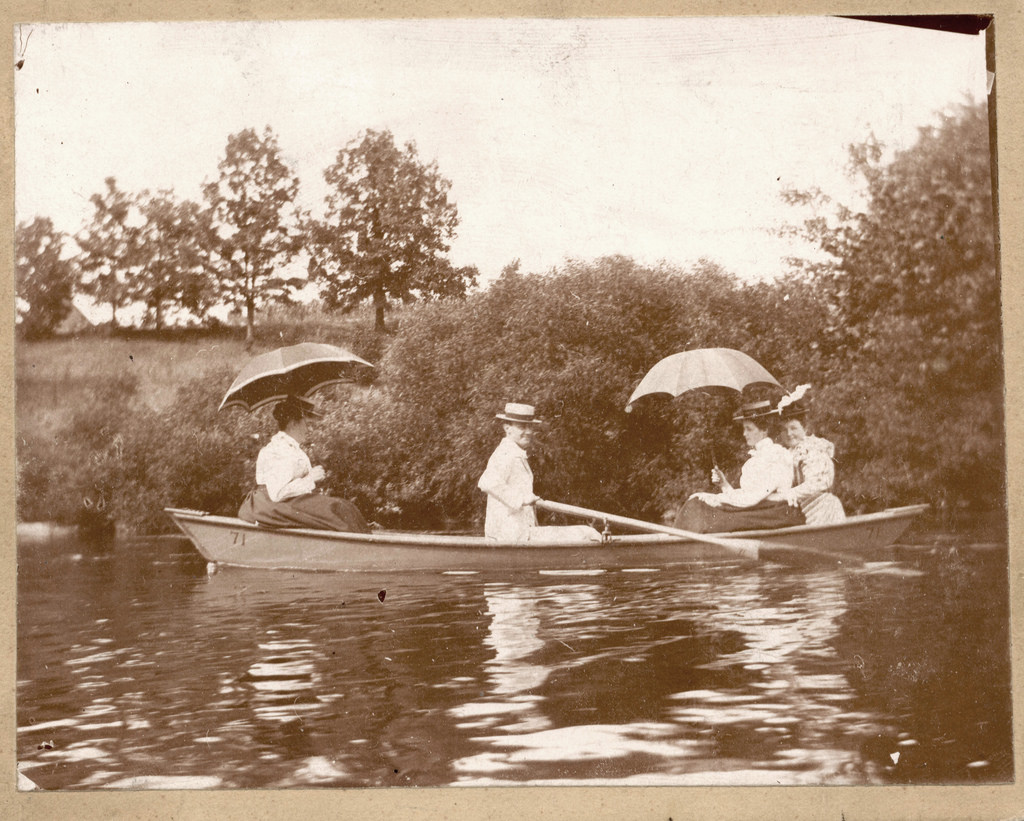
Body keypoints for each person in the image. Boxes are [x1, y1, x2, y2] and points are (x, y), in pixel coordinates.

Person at [238, 395, 370, 533]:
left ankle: (365, 545)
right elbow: (278, 494)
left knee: (344, 507)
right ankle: (357, 548)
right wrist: (310, 478)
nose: (309, 430)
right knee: (338, 508)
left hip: (288, 502)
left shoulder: (293, 448)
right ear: (293, 423)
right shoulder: (278, 450)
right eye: (306, 424)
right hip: (272, 505)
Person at [478, 402, 601, 544]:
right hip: (508, 536)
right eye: (522, 427)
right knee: (587, 533)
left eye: (530, 426)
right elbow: (487, 482)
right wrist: (521, 499)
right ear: (507, 428)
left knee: (587, 532)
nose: (528, 431)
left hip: (520, 533)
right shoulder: (505, 453)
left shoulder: (515, 453)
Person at [674, 399, 804, 533]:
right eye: (744, 429)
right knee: (698, 505)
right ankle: (683, 545)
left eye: (749, 429)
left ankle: (684, 547)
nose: (744, 434)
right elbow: (748, 496)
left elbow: (753, 497)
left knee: (699, 507)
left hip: (773, 513)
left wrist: (717, 499)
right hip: (759, 509)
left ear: (764, 430)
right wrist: (724, 484)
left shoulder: (776, 455)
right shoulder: (755, 459)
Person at [776, 385, 846, 526]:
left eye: (794, 428)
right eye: (784, 430)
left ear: (805, 428)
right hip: (803, 509)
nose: (789, 434)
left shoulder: (813, 449)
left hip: (821, 509)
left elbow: (817, 483)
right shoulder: (787, 454)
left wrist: (788, 494)